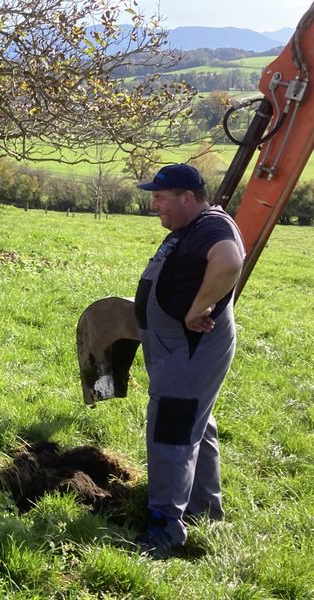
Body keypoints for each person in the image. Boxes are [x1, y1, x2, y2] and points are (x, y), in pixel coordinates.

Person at [133, 164, 245, 557]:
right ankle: (204, 511)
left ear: (187, 197)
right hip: (177, 350)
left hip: (189, 351)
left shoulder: (211, 226)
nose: (154, 206)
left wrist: (200, 306)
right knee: (196, 426)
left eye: (161, 198)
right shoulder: (190, 230)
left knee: (172, 430)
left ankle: (165, 527)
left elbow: (229, 262)